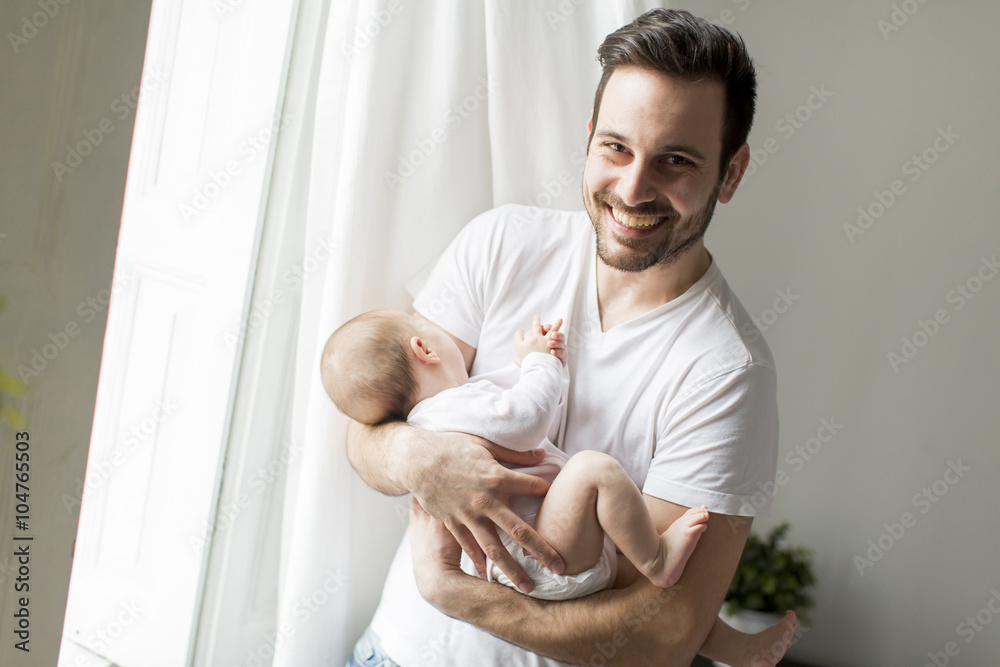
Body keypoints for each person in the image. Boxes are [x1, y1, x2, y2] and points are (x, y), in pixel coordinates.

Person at [345, 8, 795, 667]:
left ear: (731, 172)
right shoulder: (502, 244)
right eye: (616, 147)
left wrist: (453, 591)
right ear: (588, 137)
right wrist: (419, 459)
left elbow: (664, 631)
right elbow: (364, 430)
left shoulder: (727, 370)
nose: (633, 188)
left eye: (675, 160)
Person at [322, 308, 796, 666]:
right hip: (544, 554)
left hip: (528, 564)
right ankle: (658, 558)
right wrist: (538, 363)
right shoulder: (451, 408)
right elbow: (526, 419)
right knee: (595, 471)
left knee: (681, 620)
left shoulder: (431, 421)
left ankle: (737, 648)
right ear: (424, 349)